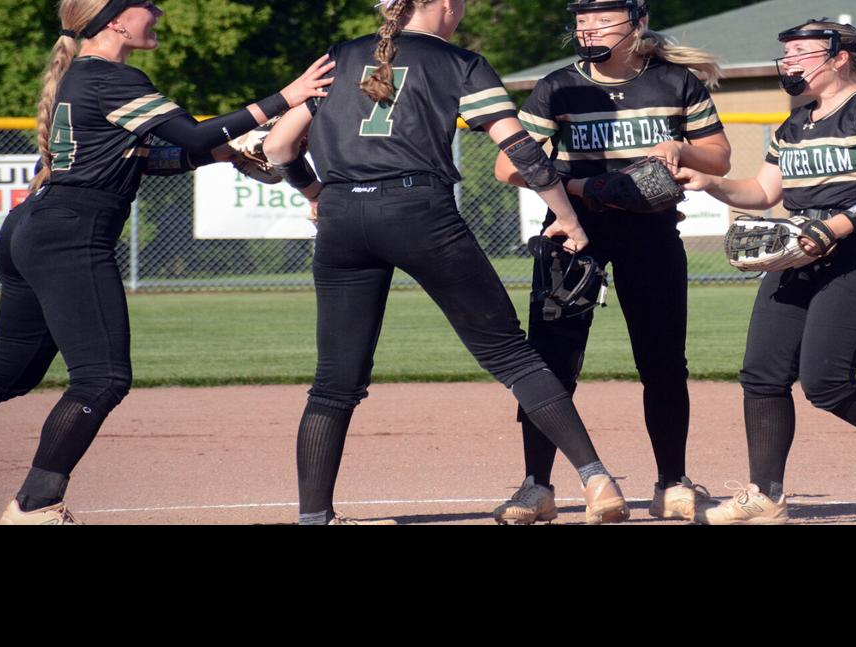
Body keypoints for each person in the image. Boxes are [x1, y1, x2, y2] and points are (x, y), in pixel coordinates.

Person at [0, 0, 332, 524]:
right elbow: (195, 134)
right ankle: (35, 507)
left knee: (6, 374)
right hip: (69, 236)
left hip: (35, 227)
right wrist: (284, 99)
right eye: (145, 6)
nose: (156, 13)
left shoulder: (86, 76)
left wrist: (224, 153)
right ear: (113, 19)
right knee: (102, 379)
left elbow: (156, 158)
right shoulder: (111, 78)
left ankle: (35, 505)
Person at [260, 0, 624, 525]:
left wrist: (314, 191)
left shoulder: (341, 55)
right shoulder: (460, 62)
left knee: (334, 383)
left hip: (342, 217)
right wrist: (568, 217)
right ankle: (596, 479)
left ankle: (314, 517)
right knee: (512, 356)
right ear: (446, 5)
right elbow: (520, 149)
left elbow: (278, 145)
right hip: (417, 210)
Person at [676, 18, 856, 524]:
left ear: (840, 57)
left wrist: (835, 227)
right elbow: (762, 192)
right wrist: (709, 182)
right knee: (762, 374)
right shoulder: (796, 122)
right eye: (787, 52)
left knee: (826, 382)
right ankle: (766, 496)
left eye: (802, 51)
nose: (790, 60)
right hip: (800, 255)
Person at [490, 0, 732, 525]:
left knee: (663, 362)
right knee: (552, 362)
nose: (588, 28)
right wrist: (578, 184)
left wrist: (679, 149)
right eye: (582, 20)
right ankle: (537, 487)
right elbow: (507, 166)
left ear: (637, 23)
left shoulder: (674, 82)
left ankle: (672, 482)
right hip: (576, 233)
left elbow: (719, 156)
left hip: (651, 232)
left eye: (603, 18)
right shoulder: (559, 85)